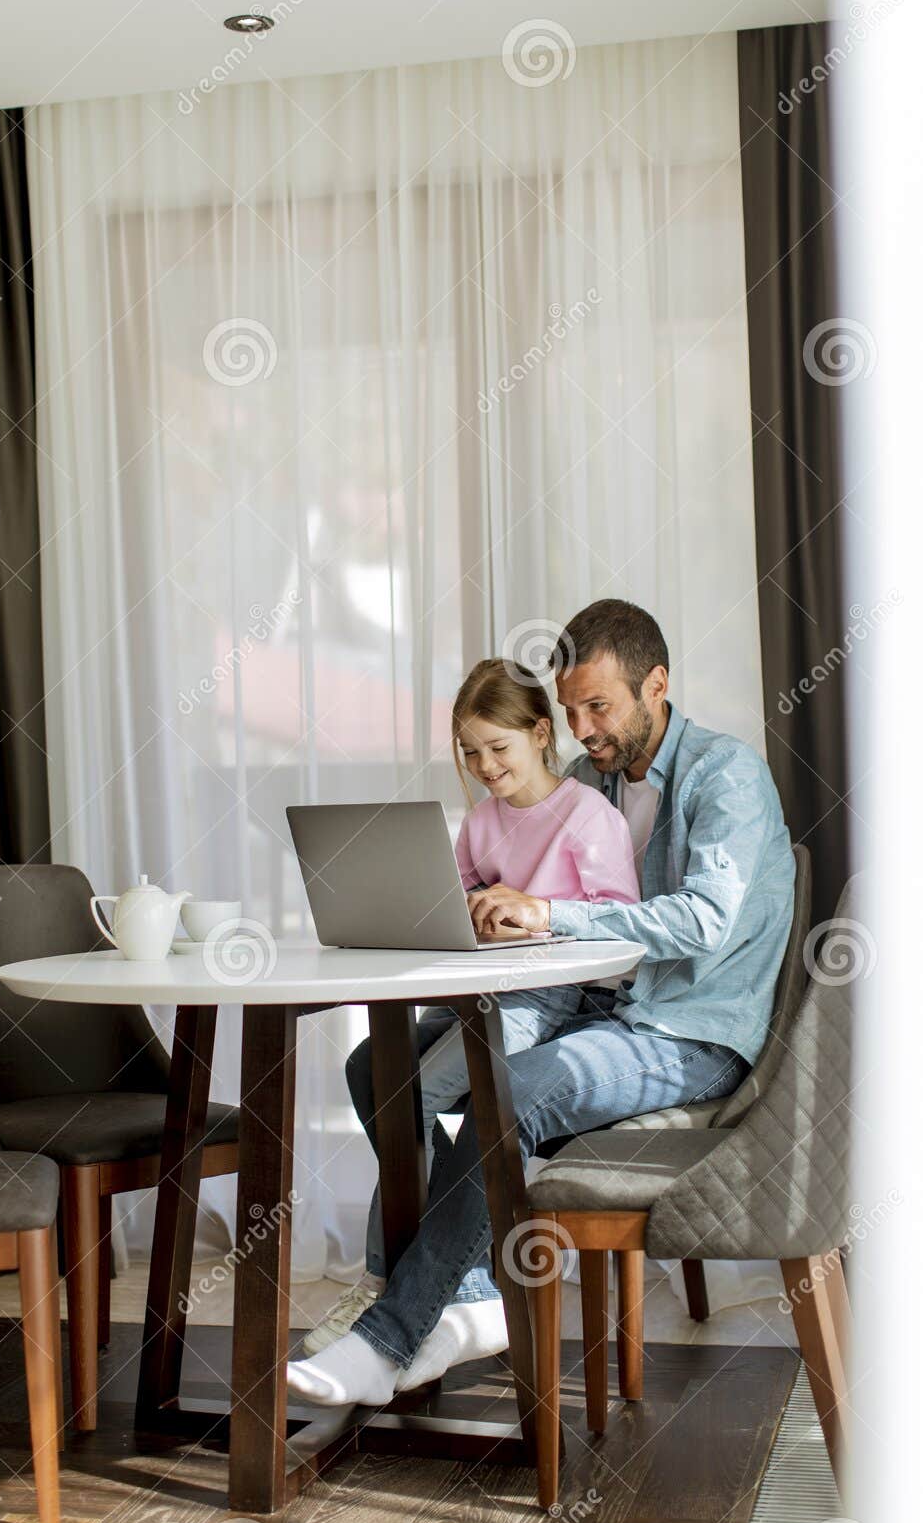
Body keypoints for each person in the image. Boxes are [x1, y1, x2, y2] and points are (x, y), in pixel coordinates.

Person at [288, 600, 795, 1409]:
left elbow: (704, 921)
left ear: (655, 685)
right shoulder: (592, 780)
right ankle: (469, 1294)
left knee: (507, 1092)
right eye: (570, 710)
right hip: (602, 1014)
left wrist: (548, 913)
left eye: (600, 706)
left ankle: (389, 1336)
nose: (583, 728)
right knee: (376, 1067)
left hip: (691, 1032)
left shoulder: (722, 775)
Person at [296, 656, 638, 1369]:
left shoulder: (586, 816)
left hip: (552, 998)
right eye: (471, 752)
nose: (484, 765)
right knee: (369, 1066)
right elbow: (445, 901)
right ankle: (456, 1275)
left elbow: (622, 925)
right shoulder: (482, 823)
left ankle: (385, 1279)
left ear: (541, 734)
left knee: (417, 1095)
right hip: (478, 992)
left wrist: (535, 919)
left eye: (498, 748)